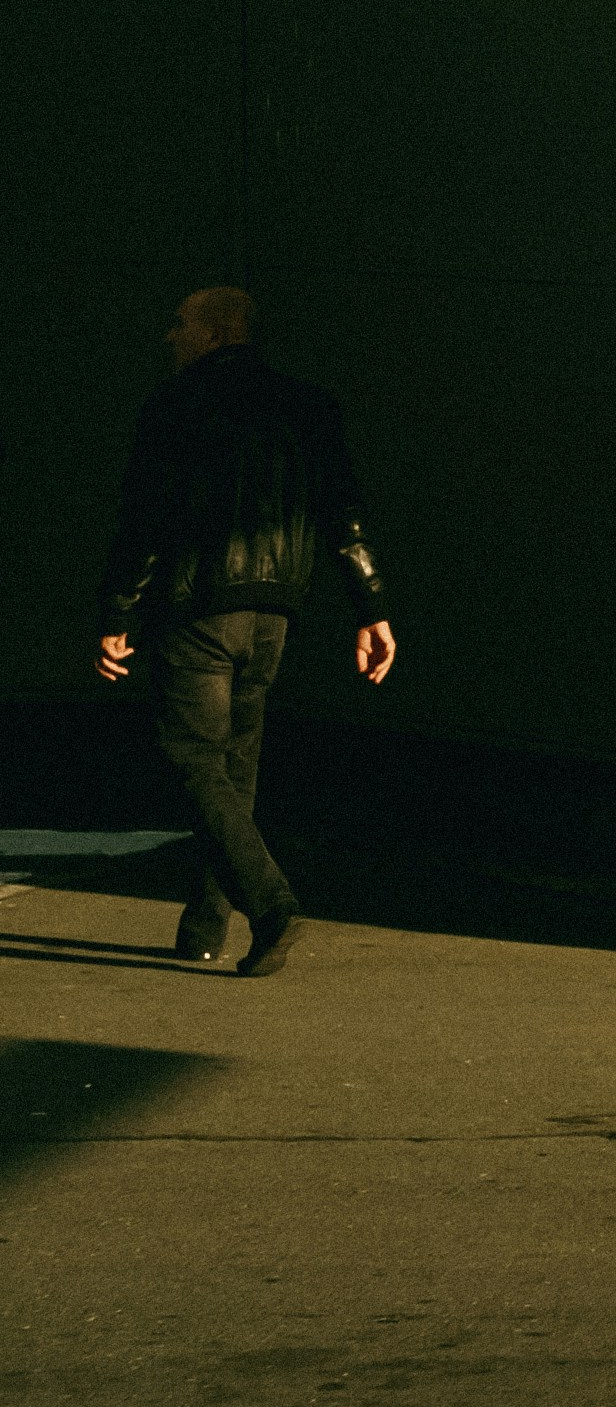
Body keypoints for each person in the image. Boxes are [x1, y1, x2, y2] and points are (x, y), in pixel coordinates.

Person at [92, 287, 395, 974]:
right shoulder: (308, 405)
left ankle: (270, 904)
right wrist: (370, 607)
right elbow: (342, 513)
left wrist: (118, 612)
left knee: (191, 756)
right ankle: (204, 927)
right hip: (274, 609)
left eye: (181, 323)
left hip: (198, 602)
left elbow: (145, 517)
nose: (170, 335)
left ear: (216, 333)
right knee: (235, 764)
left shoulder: (175, 405)